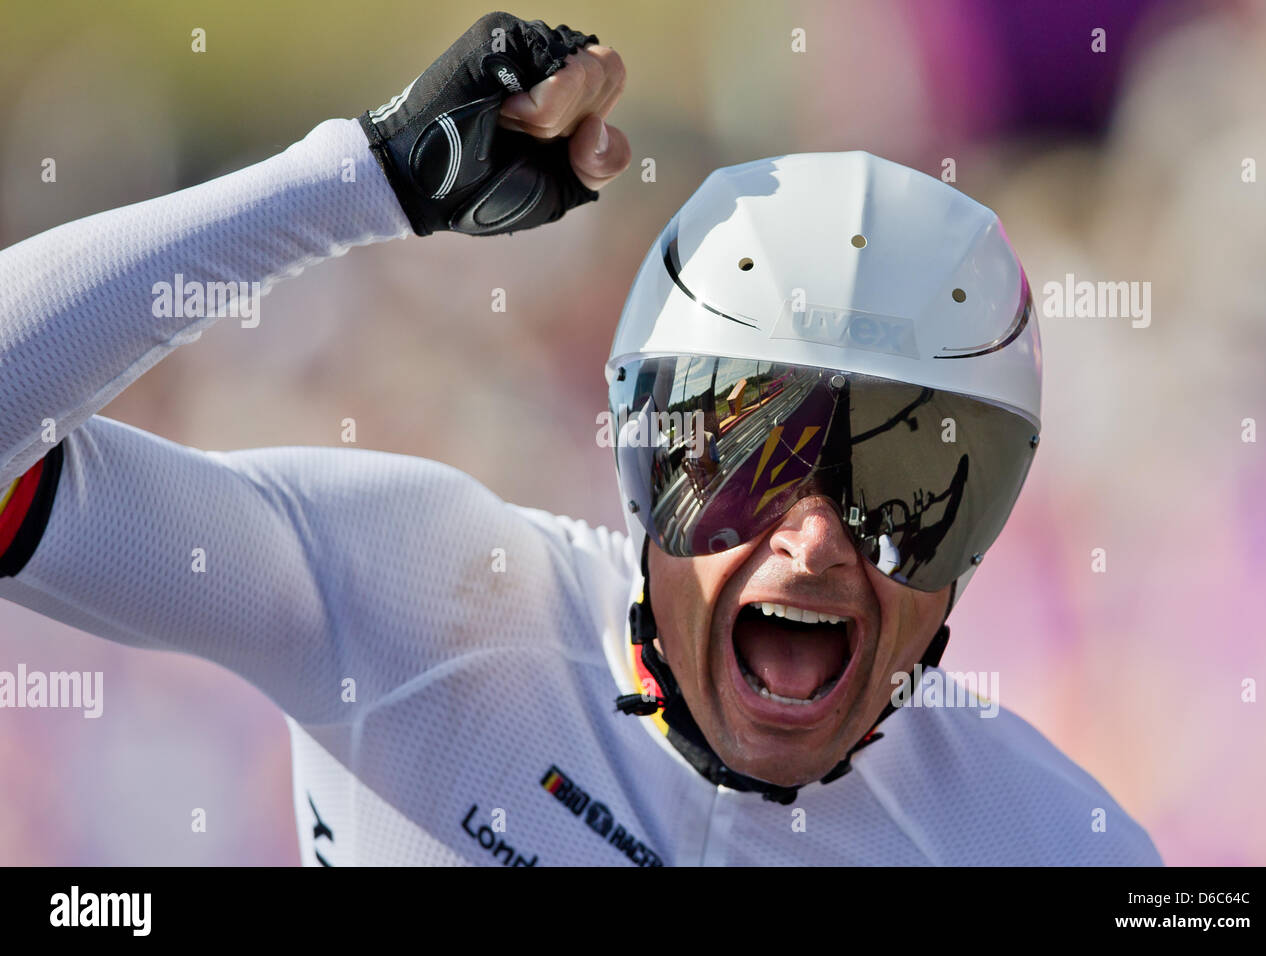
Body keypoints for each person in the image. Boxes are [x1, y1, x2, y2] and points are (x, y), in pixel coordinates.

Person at [0, 12, 1161, 866]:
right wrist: (368, 180)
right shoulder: (417, 598)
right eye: (753, 456)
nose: (815, 543)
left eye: (907, 483)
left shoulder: (1063, 844)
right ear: (646, 461)